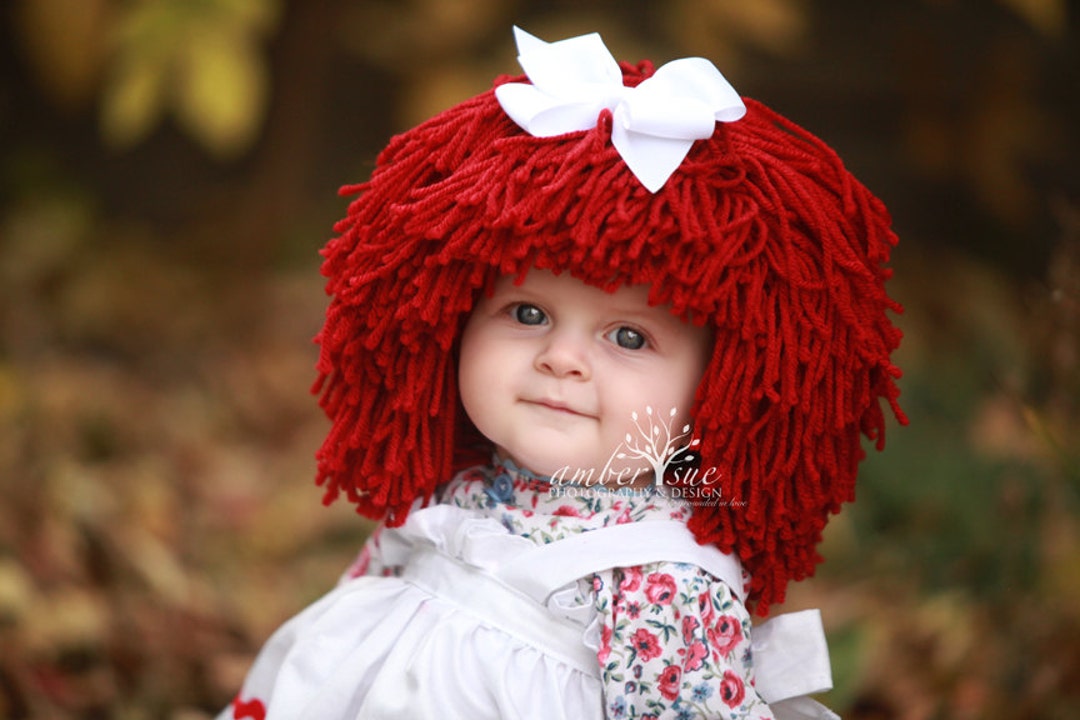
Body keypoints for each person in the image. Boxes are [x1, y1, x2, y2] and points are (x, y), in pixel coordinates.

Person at [219, 26, 905, 720]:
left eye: (629, 335)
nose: (562, 357)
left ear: (721, 387)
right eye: (526, 313)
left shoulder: (663, 580)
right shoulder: (454, 489)